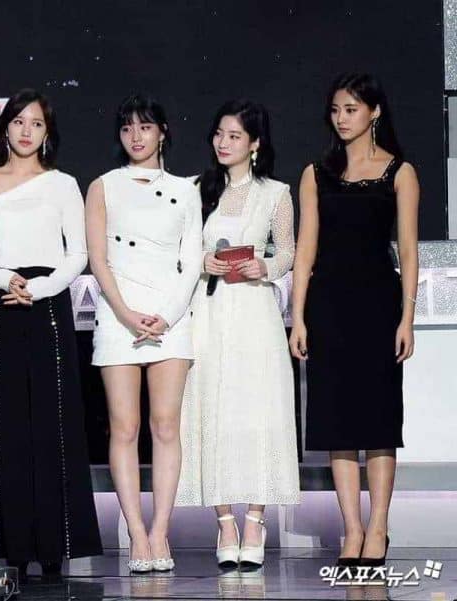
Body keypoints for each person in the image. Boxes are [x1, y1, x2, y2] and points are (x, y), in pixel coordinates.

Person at [290, 73, 419, 567]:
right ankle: (352, 529)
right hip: (328, 306)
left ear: (374, 111)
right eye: (336, 110)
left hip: (379, 305)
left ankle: (379, 527)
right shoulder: (315, 174)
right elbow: (305, 250)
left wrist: (407, 318)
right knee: (336, 422)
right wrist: (298, 317)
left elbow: (408, 251)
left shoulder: (399, 172)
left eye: (351, 109)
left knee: (379, 420)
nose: (341, 118)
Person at [0, 89, 101, 579]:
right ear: (4, 127)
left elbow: (78, 254)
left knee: (53, 422)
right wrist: (2, 279)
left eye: (36, 123)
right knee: (5, 424)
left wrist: (41, 287)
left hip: (47, 304)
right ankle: (12, 547)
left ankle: (55, 545)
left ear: (47, 132)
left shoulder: (63, 184)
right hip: (0, 302)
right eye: (18, 122)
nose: (26, 131)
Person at [176, 99, 300, 569]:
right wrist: (201, 262)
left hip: (254, 312)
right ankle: (224, 521)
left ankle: (255, 519)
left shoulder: (276, 193)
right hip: (208, 312)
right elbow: (179, 251)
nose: (223, 143)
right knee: (209, 408)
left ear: (254, 143)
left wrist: (264, 266)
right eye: (219, 134)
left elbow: (287, 251)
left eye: (234, 136)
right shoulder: (196, 189)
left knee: (258, 409)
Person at [85, 94, 202, 573]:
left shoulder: (187, 189)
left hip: (171, 317)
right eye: (128, 128)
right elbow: (98, 259)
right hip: (119, 317)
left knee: (166, 426)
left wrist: (167, 316)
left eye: (146, 127)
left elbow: (192, 259)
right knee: (125, 427)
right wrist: (126, 313)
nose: (136, 136)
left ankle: (160, 531)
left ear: (162, 133)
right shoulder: (103, 186)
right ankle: (136, 531)